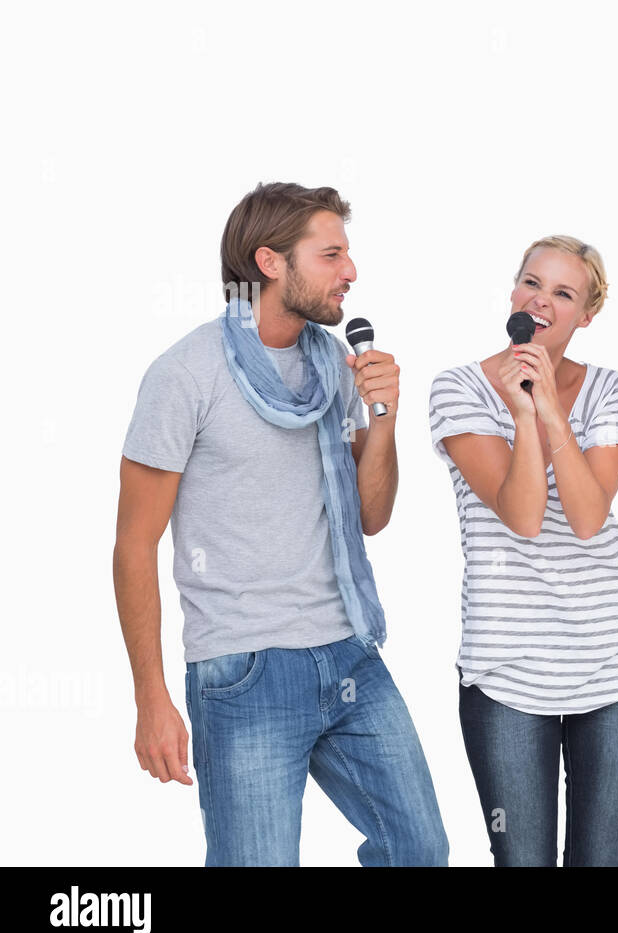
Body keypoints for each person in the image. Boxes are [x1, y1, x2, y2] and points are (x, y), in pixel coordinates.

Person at [113, 182, 449, 866]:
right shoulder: (186, 373)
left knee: (418, 849)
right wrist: (151, 696)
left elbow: (373, 519)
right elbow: (132, 545)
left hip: (349, 649)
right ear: (270, 263)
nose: (350, 271)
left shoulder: (334, 363)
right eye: (330, 255)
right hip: (244, 668)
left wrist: (381, 422)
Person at [429, 235, 618, 867]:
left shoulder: (611, 389)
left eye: (564, 293)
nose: (542, 300)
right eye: (532, 283)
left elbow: (588, 518)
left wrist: (549, 411)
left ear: (587, 315)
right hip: (506, 669)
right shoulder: (457, 390)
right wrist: (523, 414)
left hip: (617, 665)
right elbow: (523, 516)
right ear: (512, 293)